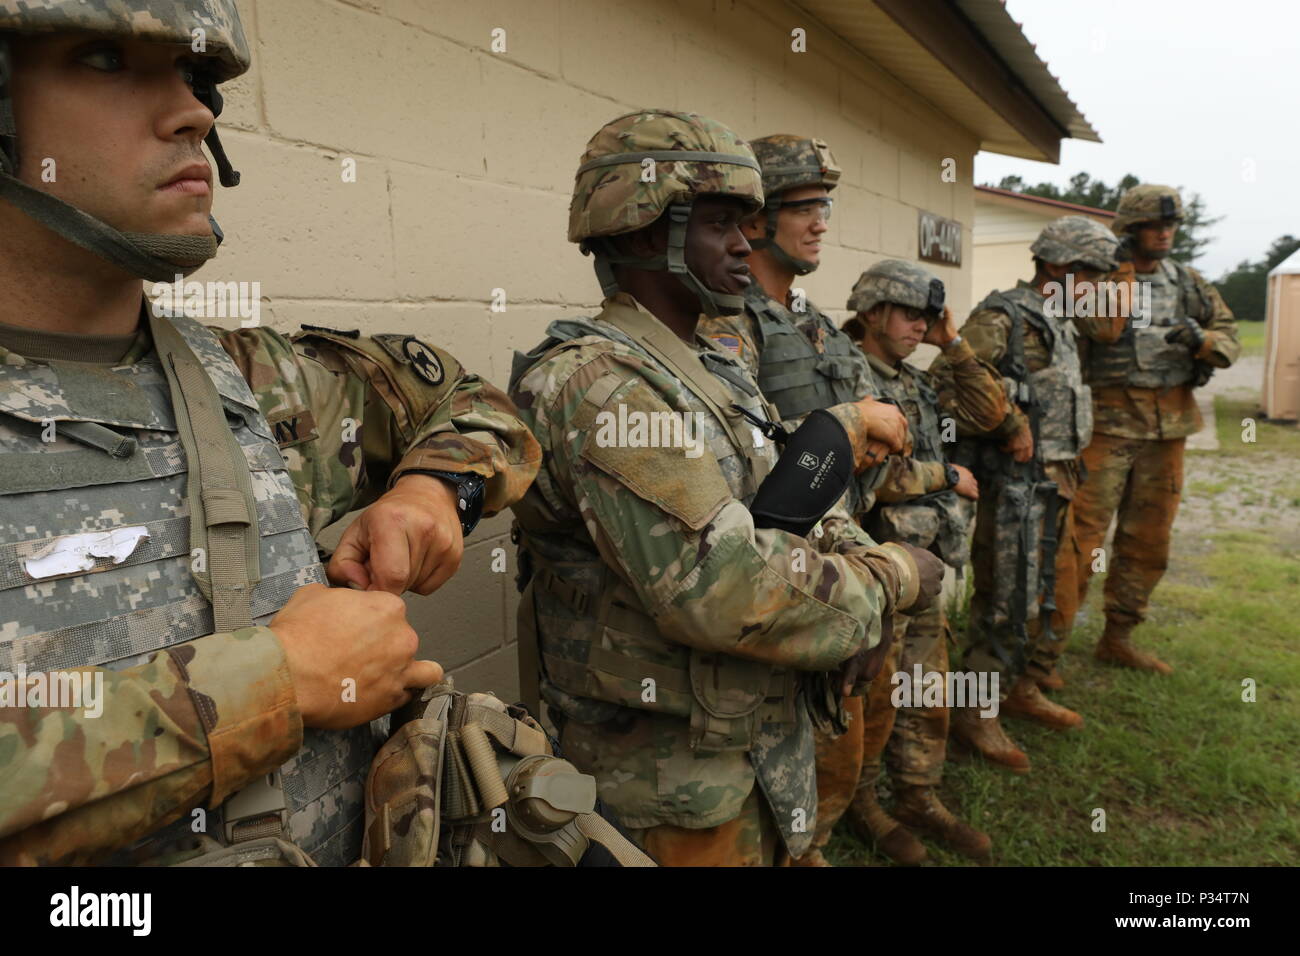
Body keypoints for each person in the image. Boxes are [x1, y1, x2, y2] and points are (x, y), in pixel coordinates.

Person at [0, 0, 540, 866]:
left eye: (193, 75)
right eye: (104, 59)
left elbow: (477, 404)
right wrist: (271, 684)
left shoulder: (252, 382)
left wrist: (434, 488)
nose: (195, 113)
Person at [508, 109, 943, 866]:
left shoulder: (714, 365)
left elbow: (794, 500)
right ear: (644, 232)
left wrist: (856, 588)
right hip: (668, 787)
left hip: (750, 753)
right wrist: (896, 579)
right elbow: (721, 587)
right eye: (719, 224)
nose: (746, 243)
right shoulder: (602, 386)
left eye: (748, 223)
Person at [697, 134, 949, 866]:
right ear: (759, 218)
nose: (820, 222)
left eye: (825, 207)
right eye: (803, 207)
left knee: (862, 721)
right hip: (789, 579)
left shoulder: (811, 327)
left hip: (858, 554)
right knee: (803, 756)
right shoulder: (722, 327)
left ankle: (846, 822)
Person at [933, 216, 1121, 772]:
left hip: (1056, 481)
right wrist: (1009, 422)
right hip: (1012, 488)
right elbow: (947, 387)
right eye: (1094, 275)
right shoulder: (1002, 317)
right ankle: (974, 714)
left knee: (1046, 594)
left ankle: (1018, 688)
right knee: (1004, 601)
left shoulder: (1061, 322)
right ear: (1063, 268)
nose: (1101, 288)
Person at [840, 259, 1006, 863]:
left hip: (926, 562)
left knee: (926, 687)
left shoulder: (913, 380)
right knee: (874, 696)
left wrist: (953, 344)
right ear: (873, 311)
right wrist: (947, 475)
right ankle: (862, 803)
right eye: (912, 313)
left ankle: (917, 793)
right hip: (878, 565)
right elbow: (873, 474)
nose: (922, 326)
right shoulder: (845, 374)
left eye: (929, 316)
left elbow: (991, 416)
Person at [1072, 185, 1240, 674]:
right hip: (1105, 426)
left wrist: (1203, 340)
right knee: (1082, 537)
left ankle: (1118, 636)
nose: (1165, 232)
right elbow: (1092, 331)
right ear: (1130, 228)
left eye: (1171, 225)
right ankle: (1049, 646)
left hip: (1167, 429)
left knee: (1149, 538)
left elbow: (1229, 336)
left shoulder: (1188, 283)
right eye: (1153, 224)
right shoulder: (1099, 279)